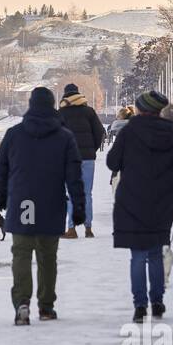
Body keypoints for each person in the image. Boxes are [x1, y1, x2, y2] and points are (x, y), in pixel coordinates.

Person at [0, 87, 85, 325]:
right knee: (47, 257)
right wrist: (79, 206)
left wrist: (1, 194)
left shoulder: (14, 134)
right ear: (52, 105)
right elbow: (74, 175)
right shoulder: (64, 137)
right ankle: (46, 306)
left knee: (21, 254)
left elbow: (1, 166)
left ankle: (22, 303)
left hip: (22, 201)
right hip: (51, 202)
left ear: (31, 105)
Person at [104, 90, 173, 324]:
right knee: (155, 253)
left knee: (138, 256)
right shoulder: (170, 131)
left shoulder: (129, 131)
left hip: (132, 200)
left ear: (140, 108)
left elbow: (112, 162)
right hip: (162, 200)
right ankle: (158, 301)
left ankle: (140, 305)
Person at [57, 83, 106, 239]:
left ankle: (71, 229)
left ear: (65, 96)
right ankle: (88, 228)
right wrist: (92, 149)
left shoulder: (60, 114)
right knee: (87, 194)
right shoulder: (89, 112)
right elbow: (100, 133)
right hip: (87, 159)